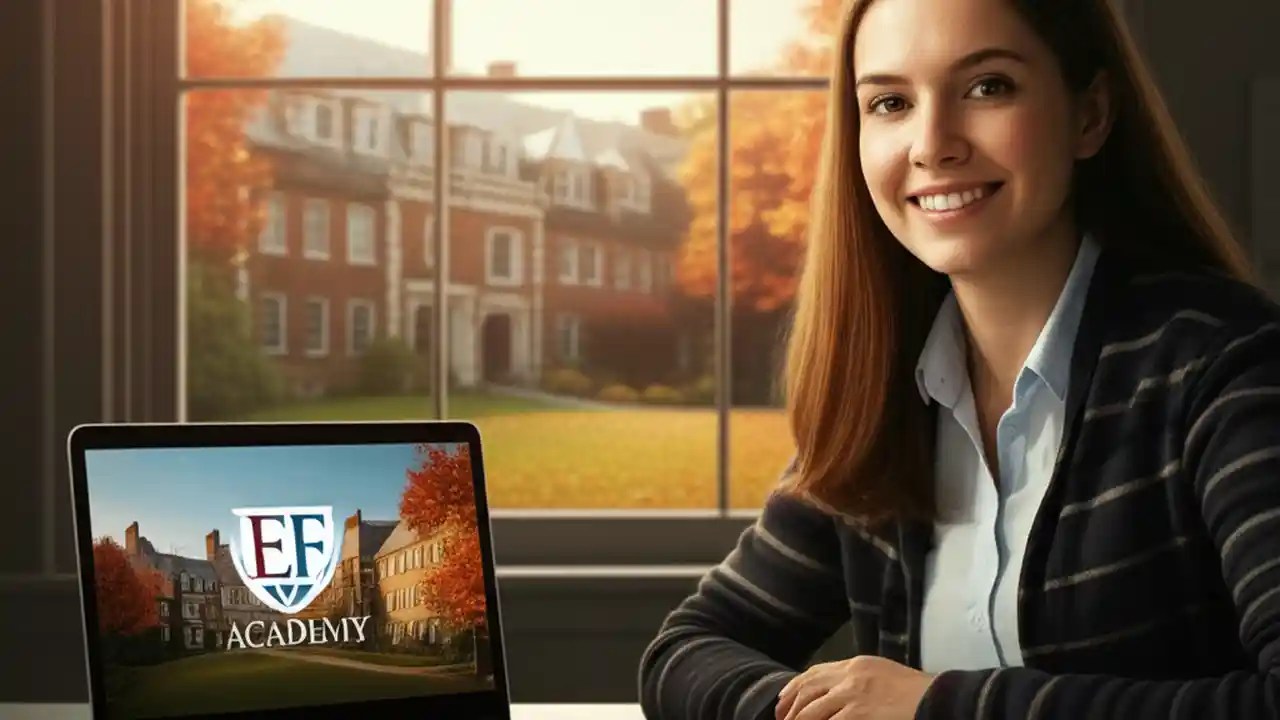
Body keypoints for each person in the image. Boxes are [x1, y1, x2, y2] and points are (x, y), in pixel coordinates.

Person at [637, 0, 1280, 718]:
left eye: (987, 87)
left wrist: (936, 709)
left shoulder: (1228, 368)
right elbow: (687, 650)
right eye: (889, 102)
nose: (931, 143)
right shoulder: (889, 401)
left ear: (1090, 115)